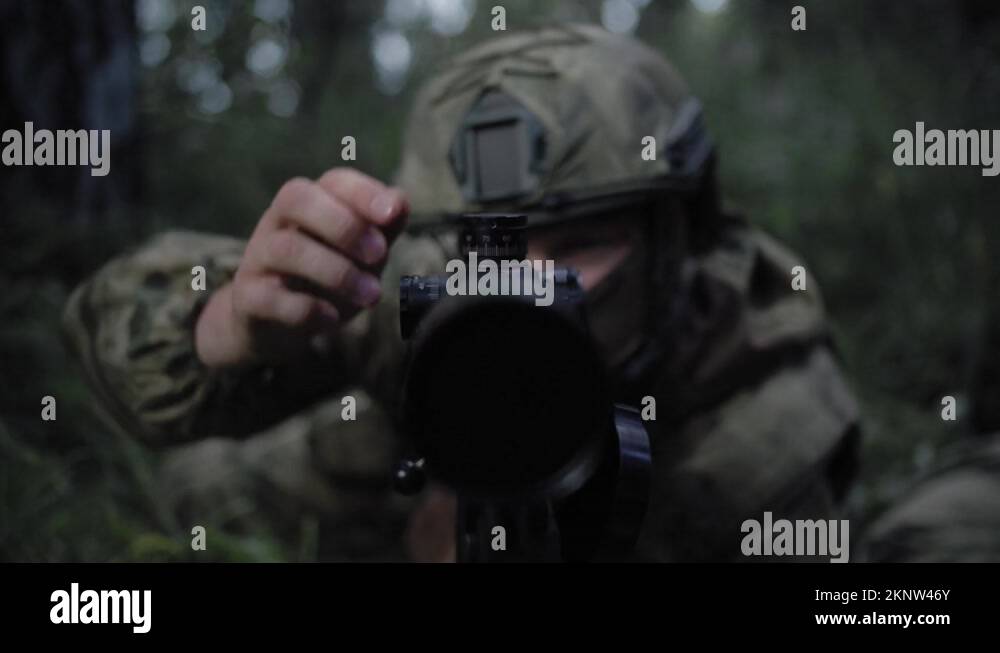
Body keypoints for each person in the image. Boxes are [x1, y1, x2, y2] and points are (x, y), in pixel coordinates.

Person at [63, 25, 860, 562]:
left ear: (673, 242)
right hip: (387, 462)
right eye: (489, 245)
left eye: (579, 247)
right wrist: (220, 321)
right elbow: (109, 323)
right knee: (199, 492)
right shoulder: (418, 297)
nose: (518, 287)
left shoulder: (756, 414)